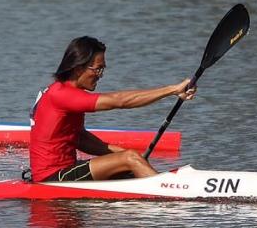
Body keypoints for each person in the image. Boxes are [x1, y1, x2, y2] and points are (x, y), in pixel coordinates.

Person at [29, 36, 196, 182]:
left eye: (103, 69)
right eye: (97, 69)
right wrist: (172, 90)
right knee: (130, 158)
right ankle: (170, 196)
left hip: (63, 171)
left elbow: (79, 139)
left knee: (130, 158)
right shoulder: (63, 95)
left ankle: (159, 185)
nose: (100, 75)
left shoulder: (62, 92)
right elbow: (119, 101)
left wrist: (121, 154)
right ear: (79, 68)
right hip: (51, 177)